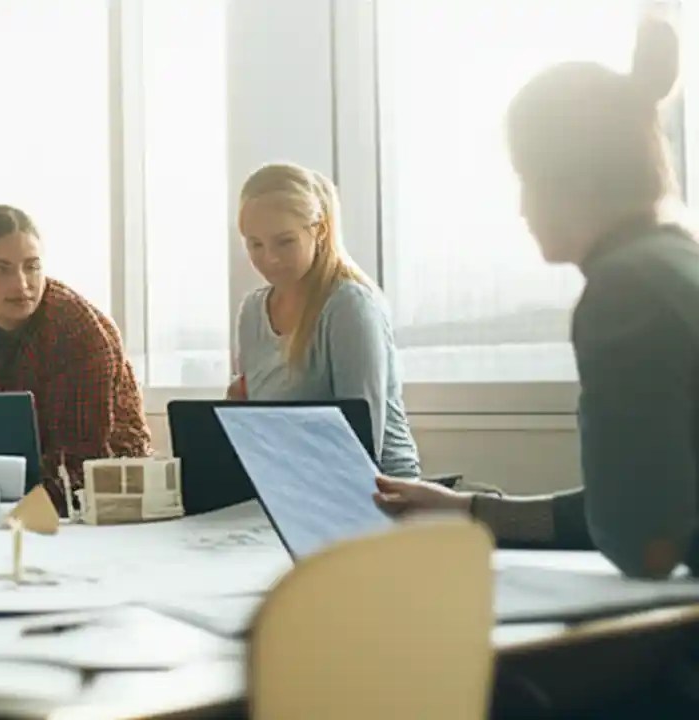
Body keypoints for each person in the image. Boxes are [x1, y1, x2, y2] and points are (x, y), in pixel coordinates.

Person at [373, 16, 698, 579]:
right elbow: (634, 510)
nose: (522, 209)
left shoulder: (624, 294)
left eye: (527, 178)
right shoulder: (676, 265)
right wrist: (469, 511)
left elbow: (643, 544)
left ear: (578, 181)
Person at [0, 205, 152, 511]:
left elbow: (83, 459)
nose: (22, 284)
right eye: (0, 269)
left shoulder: (78, 331)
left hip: (105, 493)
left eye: (32, 266)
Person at [229, 162, 420, 478]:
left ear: (319, 230)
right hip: (292, 485)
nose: (269, 258)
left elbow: (360, 442)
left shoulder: (349, 305)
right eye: (255, 244)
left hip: (376, 490)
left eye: (285, 241)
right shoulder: (251, 312)